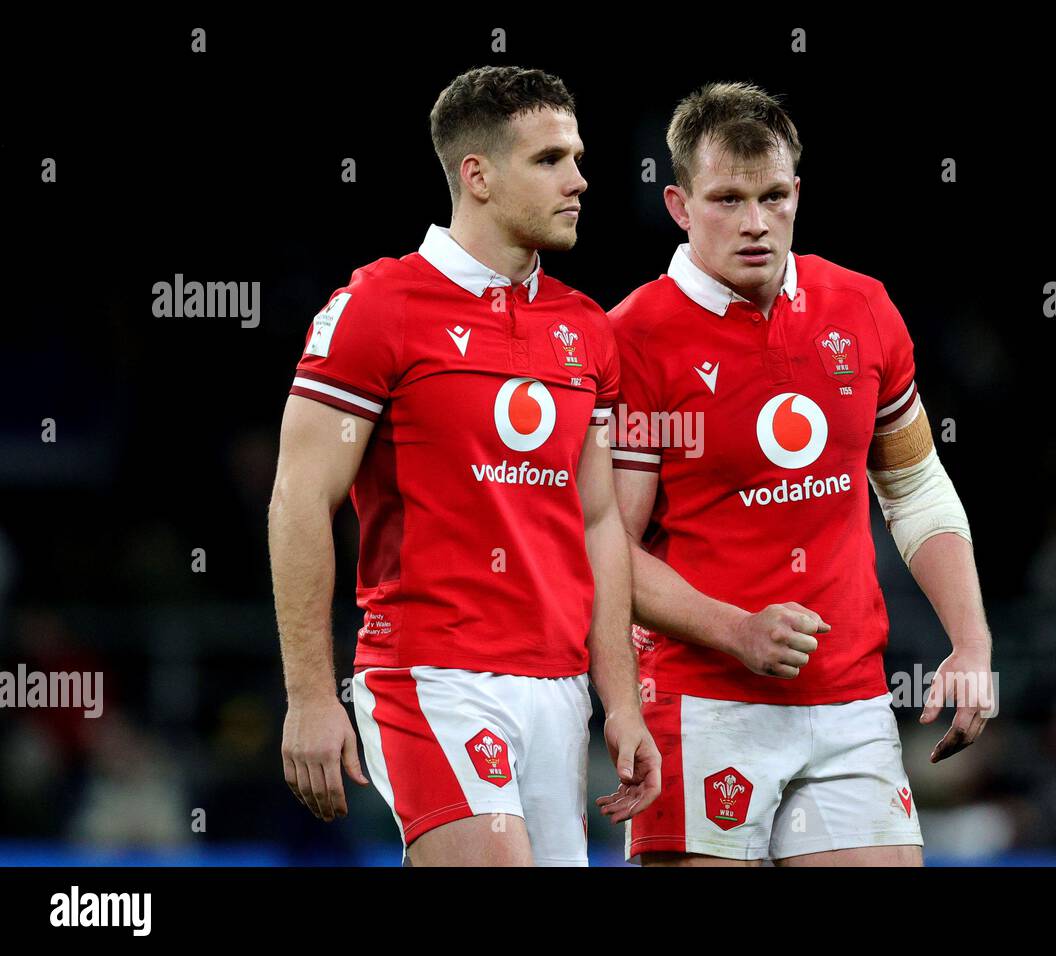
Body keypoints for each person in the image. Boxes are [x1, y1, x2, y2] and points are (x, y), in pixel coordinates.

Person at [269, 65, 659, 866]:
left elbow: (597, 524)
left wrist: (621, 700)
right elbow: (300, 500)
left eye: (578, 158)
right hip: (429, 674)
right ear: (476, 176)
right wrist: (310, 694)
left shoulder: (586, 330)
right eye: (550, 160)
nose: (580, 181)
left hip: (558, 689)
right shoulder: (377, 307)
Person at [598, 82, 992, 866]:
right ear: (678, 205)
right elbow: (604, 546)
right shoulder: (633, 337)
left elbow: (913, 488)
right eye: (727, 199)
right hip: (702, 702)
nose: (755, 222)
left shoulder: (863, 308)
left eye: (774, 196)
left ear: (798, 192)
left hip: (849, 699)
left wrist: (971, 642)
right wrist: (735, 630)